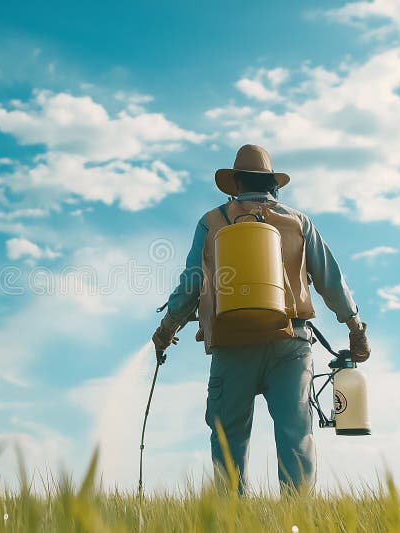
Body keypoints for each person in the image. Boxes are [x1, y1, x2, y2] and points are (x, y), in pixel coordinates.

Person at [151, 144, 370, 494]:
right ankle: (296, 520)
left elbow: (190, 285)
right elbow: (331, 280)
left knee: (228, 439)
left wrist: (166, 330)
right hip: (292, 343)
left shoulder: (211, 221)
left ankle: (233, 521)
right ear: (272, 183)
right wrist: (355, 328)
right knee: (296, 435)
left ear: (235, 183)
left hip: (232, 342)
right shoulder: (299, 221)